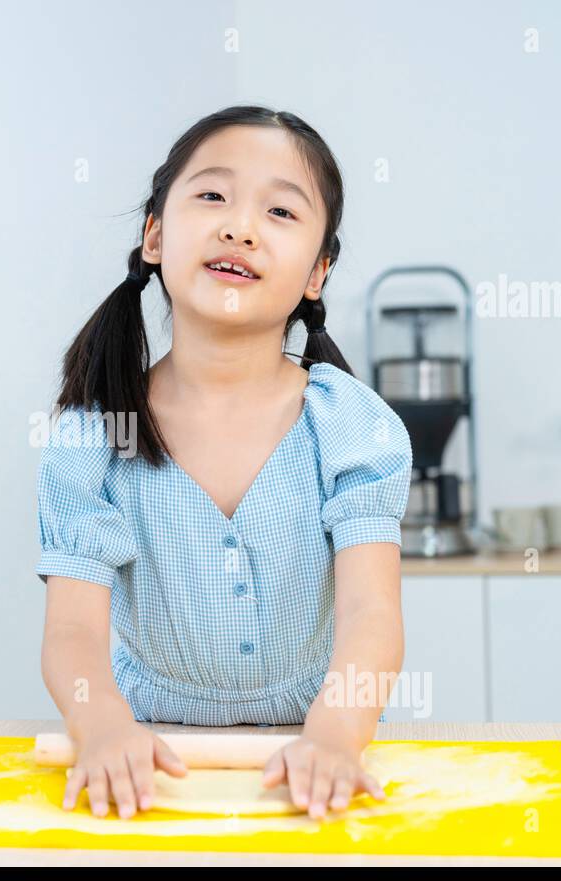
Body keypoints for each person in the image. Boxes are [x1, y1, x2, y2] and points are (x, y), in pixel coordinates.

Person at [35, 105, 414, 820]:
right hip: (149, 760)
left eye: (279, 210)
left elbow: (372, 612)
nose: (239, 225)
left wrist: (335, 736)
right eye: (212, 195)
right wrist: (102, 725)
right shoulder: (96, 433)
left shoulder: (350, 426)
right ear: (154, 234)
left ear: (317, 271)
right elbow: (71, 632)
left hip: (316, 756)